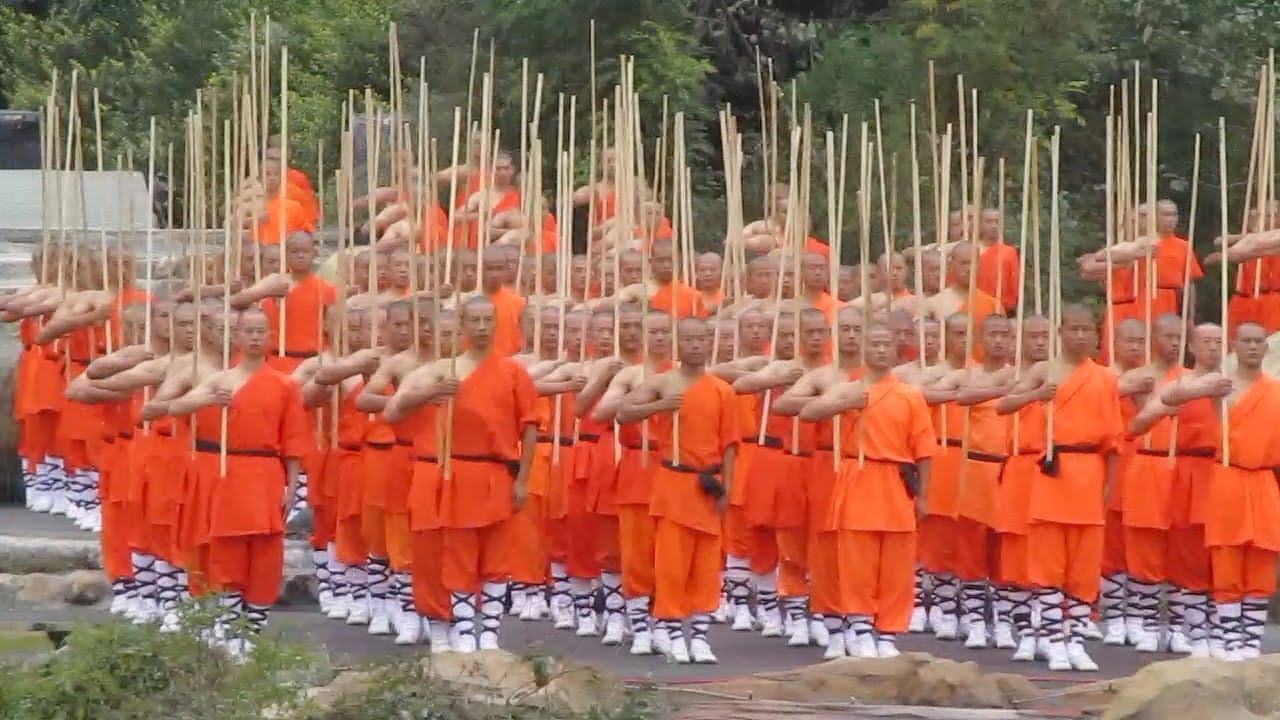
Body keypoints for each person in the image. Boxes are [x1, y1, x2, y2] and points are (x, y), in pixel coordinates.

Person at [383, 295, 538, 653]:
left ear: (498, 324)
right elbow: (392, 412)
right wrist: (430, 394)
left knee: (493, 556)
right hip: (438, 471)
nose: (481, 328)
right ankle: (442, 627)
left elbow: (529, 426)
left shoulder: (513, 372)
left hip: (492, 473)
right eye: (474, 321)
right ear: (463, 326)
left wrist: (523, 479)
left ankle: (484, 633)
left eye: (488, 320)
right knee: (434, 553)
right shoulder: (437, 371)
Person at [162, 307, 309, 659]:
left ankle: (251, 630)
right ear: (238, 337)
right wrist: (208, 398)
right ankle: (228, 630)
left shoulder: (285, 384)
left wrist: (292, 486)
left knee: (264, 554)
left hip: (264, 474)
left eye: (262, 331)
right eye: (249, 331)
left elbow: (293, 441)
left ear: (270, 336)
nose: (256, 337)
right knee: (227, 551)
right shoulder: (219, 380)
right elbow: (173, 409)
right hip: (227, 474)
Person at [800, 323, 937, 659]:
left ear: (895, 351)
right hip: (856, 474)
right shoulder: (848, 387)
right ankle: (860, 627)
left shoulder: (910, 394)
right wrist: (842, 402)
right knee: (856, 562)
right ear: (863, 349)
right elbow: (807, 413)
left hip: (895, 479)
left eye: (886, 344)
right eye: (873, 343)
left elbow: (924, 451)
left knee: (896, 564)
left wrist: (924, 495)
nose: (880, 350)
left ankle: (887, 632)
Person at [1003, 304, 1123, 672]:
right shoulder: (1044, 370)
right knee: (1049, 563)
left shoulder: (1104, 378)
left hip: (1089, 473)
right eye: (1074, 329)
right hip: (1052, 471)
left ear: (1096, 333)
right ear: (1061, 330)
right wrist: (1036, 395)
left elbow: (1115, 441)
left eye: (1087, 329)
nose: (1081, 335)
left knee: (1084, 565)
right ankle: (1054, 640)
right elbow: (1003, 406)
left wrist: (1109, 487)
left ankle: (1074, 639)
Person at [615, 317, 739, 664]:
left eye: (701, 339)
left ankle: (699, 636)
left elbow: (731, 443)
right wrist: (659, 407)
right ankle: (672, 634)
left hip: (708, 485)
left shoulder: (721, 389)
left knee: (705, 566)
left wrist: (728, 488)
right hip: (672, 483)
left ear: (708, 342)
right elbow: (623, 413)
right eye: (688, 339)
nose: (695, 345)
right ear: (677, 344)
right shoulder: (663, 382)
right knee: (670, 566)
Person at [1127, 323, 1229, 658]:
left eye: (1218, 342)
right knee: (1171, 550)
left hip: (1217, 470)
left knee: (1206, 555)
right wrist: (1166, 406)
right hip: (1181, 469)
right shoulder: (1178, 383)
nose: (1213, 348)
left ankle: (1200, 628)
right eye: (1206, 342)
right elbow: (1137, 425)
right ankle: (1155, 623)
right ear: (1193, 348)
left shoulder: (1231, 383)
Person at [772, 305, 865, 655]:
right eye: (846, 329)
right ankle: (813, 615)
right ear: (834, 335)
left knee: (854, 545)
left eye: (858, 329)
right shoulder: (822, 374)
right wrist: (829, 399)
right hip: (823, 461)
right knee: (814, 541)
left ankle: (857, 620)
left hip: (863, 464)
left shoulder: (876, 375)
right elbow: (782, 404)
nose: (852, 336)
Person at [732, 308, 827, 644]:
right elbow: (740, 384)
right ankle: (779, 609)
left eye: (819, 331)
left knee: (816, 542)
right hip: (777, 456)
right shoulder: (777, 366)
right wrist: (777, 380)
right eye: (802, 333)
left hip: (821, 461)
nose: (811, 339)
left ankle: (819, 611)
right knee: (770, 537)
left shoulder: (832, 372)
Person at [590, 310, 674, 655]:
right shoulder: (630, 374)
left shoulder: (683, 375)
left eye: (664, 332)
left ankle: (663, 622)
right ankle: (639, 624)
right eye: (651, 332)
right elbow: (600, 413)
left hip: (672, 466)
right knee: (636, 552)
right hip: (636, 464)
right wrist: (640, 398)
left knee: (669, 553)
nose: (657, 339)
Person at [1204, 323, 1280, 661]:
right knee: (1228, 557)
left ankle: (1250, 640)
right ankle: (1228, 637)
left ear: (1266, 347)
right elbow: (1173, 395)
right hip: (1228, 477)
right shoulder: (1221, 385)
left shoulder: (1276, 390)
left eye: (1258, 341)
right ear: (1234, 345)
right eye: (1246, 341)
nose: (1252, 347)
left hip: (1264, 479)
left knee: (1262, 560)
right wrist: (1207, 390)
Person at [994, 314, 1053, 662]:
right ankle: (1023, 630)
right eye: (1032, 336)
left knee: (1046, 552)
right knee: (1016, 552)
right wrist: (1036, 392)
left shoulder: (1066, 374)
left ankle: (1045, 628)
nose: (1039, 342)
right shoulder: (1012, 375)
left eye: (1045, 336)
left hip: (1051, 466)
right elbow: (1005, 404)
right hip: (1018, 463)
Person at [976, 208, 1021, 311]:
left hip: (1000, 310)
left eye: (997, 222)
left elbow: (1014, 285)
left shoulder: (1009, 252)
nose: (994, 226)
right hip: (973, 307)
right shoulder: (970, 250)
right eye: (989, 222)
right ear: (980, 224)